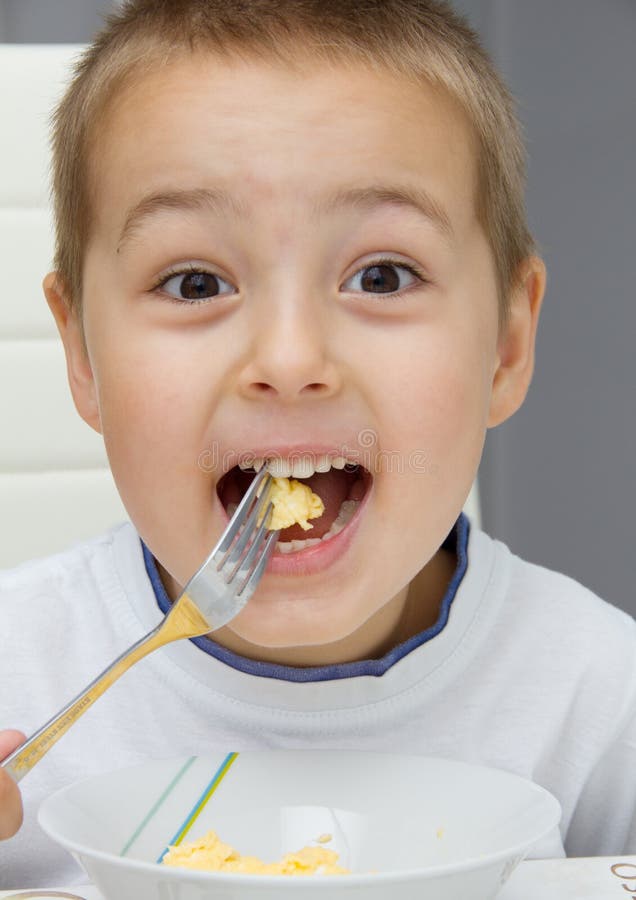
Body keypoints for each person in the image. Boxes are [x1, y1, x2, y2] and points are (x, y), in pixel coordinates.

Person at [1, 0, 635, 887]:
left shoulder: (599, 694)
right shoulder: (14, 675)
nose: (291, 360)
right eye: (194, 282)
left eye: (381, 276)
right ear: (83, 359)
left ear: (506, 347)